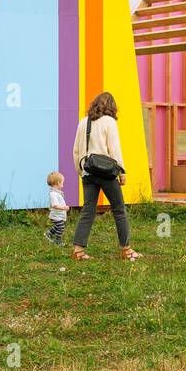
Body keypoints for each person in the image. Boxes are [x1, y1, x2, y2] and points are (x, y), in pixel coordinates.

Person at [70, 91, 142, 261]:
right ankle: (126, 250)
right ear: (111, 107)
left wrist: (81, 172)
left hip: (88, 171)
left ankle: (78, 250)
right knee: (119, 210)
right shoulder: (109, 122)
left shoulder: (83, 122)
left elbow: (75, 151)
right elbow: (114, 148)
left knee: (88, 210)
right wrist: (121, 171)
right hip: (106, 172)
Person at [44, 171, 68, 245]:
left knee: (58, 226)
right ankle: (58, 241)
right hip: (56, 215)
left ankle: (49, 233)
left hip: (59, 215)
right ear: (58, 183)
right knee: (60, 227)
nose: (63, 184)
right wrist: (64, 208)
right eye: (62, 183)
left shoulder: (57, 192)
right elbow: (55, 205)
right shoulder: (53, 194)